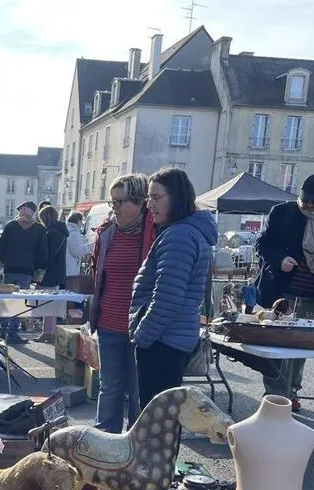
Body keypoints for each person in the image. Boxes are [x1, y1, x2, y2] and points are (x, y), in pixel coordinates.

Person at [255, 174, 314, 410]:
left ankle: (292, 391)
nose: (308, 205)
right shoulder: (282, 212)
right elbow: (262, 245)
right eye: (305, 200)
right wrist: (279, 259)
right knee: (277, 348)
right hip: (281, 293)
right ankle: (274, 396)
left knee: (301, 349)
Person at [131, 167, 215, 408]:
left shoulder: (180, 235)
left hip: (163, 342)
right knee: (164, 420)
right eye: (149, 198)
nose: (150, 205)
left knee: (156, 421)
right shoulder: (186, 232)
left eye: (156, 198)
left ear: (176, 197)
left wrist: (142, 336)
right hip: (171, 338)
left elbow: (167, 298)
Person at [87, 174, 154, 433]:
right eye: (111, 202)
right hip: (109, 323)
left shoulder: (155, 231)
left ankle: (137, 447)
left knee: (138, 391)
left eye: (119, 202)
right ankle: (104, 443)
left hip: (142, 325)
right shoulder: (106, 234)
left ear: (139, 202)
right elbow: (99, 277)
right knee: (110, 386)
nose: (114, 208)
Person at [0, 201, 48, 344]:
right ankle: (12, 333)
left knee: (7, 300)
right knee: (19, 301)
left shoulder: (11, 226)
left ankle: (2, 331)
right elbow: (43, 252)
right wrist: (38, 267)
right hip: (26, 270)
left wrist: (5, 260)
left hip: (10, 268)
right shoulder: (39, 229)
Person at [35, 205, 68, 342]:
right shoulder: (60, 231)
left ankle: (48, 331)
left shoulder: (52, 232)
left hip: (50, 272)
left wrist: (40, 267)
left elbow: (48, 254)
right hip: (56, 271)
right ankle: (49, 330)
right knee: (50, 302)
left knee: (47, 303)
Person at [65, 211, 91, 280]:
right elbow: (77, 251)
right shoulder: (74, 233)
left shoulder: (68, 230)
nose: (82, 224)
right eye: (82, 221)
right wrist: (91, 246)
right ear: (78, 221)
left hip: (66, 268)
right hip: (71, 269)